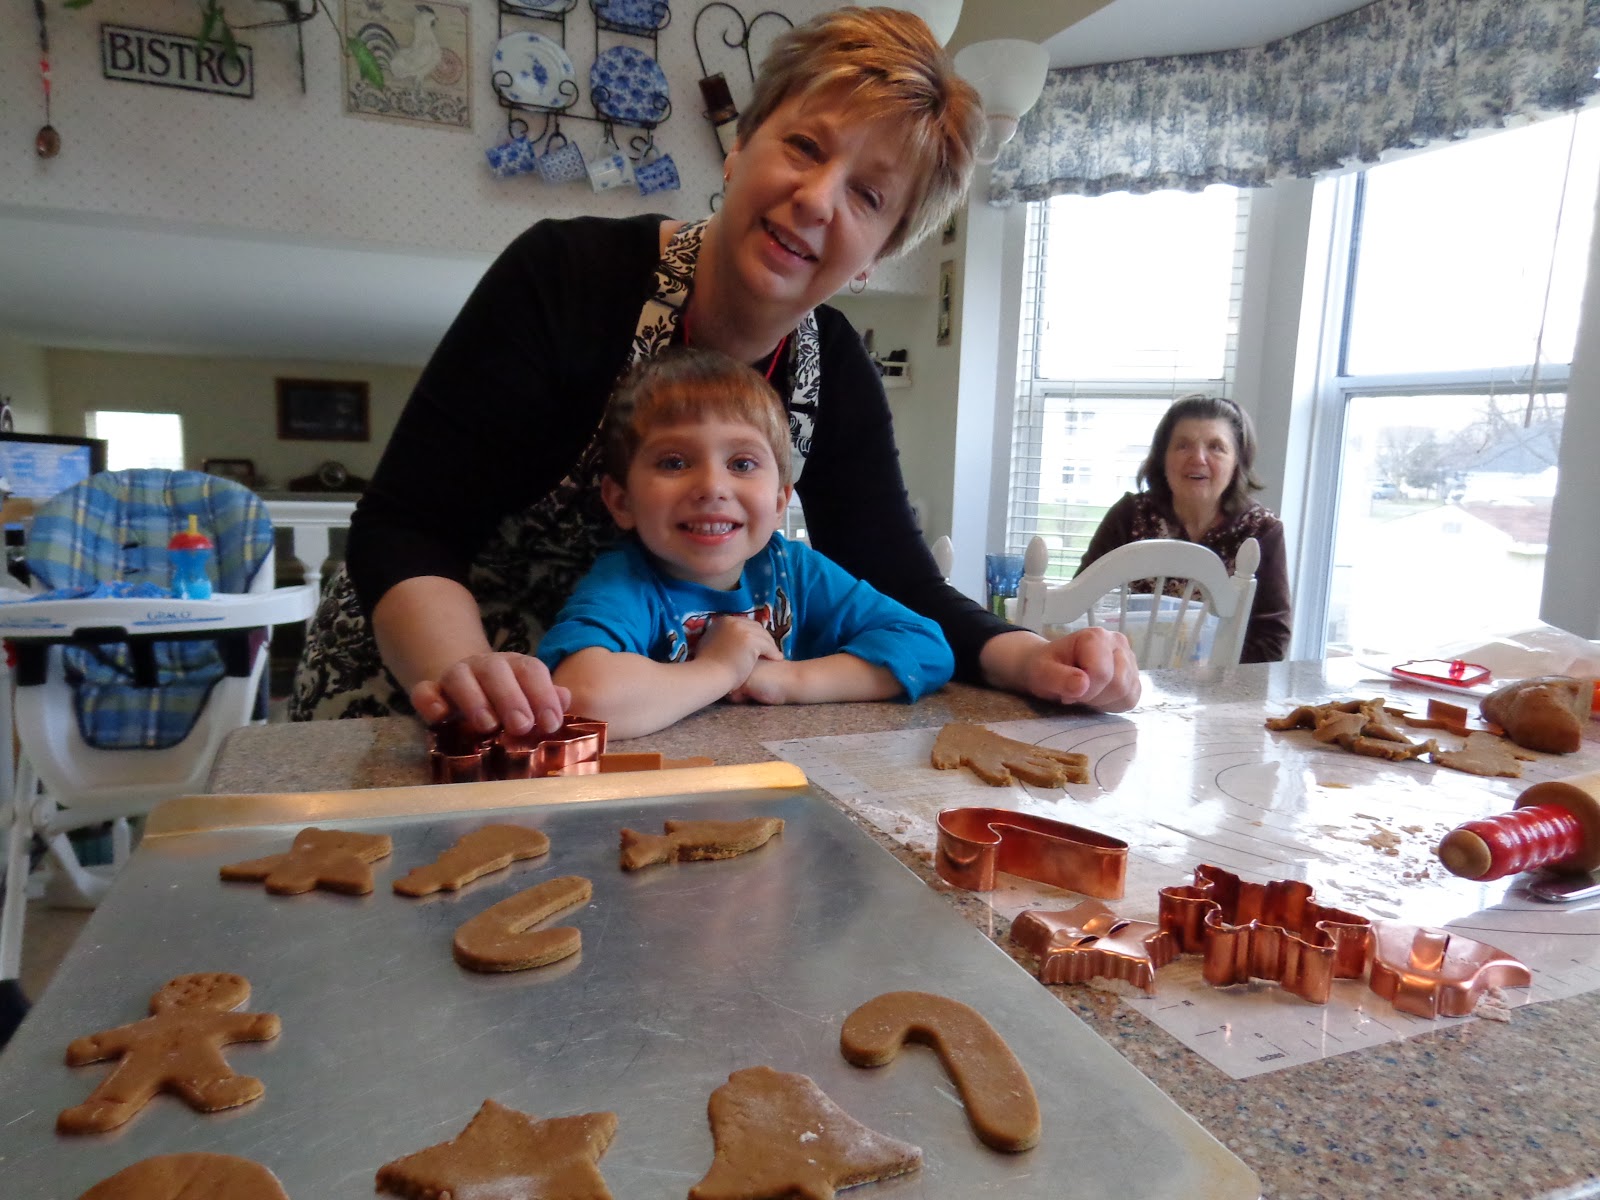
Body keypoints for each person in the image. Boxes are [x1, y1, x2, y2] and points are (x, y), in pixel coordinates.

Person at [290, 6, 1140, 736]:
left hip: (648, 725)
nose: (817, 198)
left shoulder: (831, 371)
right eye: (804, 146)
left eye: (868, 197)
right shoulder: (567, 277)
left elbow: (899, 584)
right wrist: (470, 674)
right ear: (738, 149)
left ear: (879, 255)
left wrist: (1035, 659)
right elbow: (407, 525)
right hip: (429, 689)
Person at [535, 348, 954, 738]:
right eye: (674, 462)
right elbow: (584, 697)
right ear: (622, 501)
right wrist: (719, 670)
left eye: (742, 463)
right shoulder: (625, 584)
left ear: (778, 503)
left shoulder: (797, 572)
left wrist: (788, 681)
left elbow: (926, 647)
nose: (713, 487)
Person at [1076, 394, 1292, 664]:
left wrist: (1204, 675)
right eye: (1183, 446)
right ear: (1163, 458)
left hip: (1218, 692)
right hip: (1125, 680)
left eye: (1216, 447)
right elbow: (1080, 609)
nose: (1198, 458)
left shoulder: (1262, 531)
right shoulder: (1128, 516)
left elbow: (1272, 641)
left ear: (1237, 461)